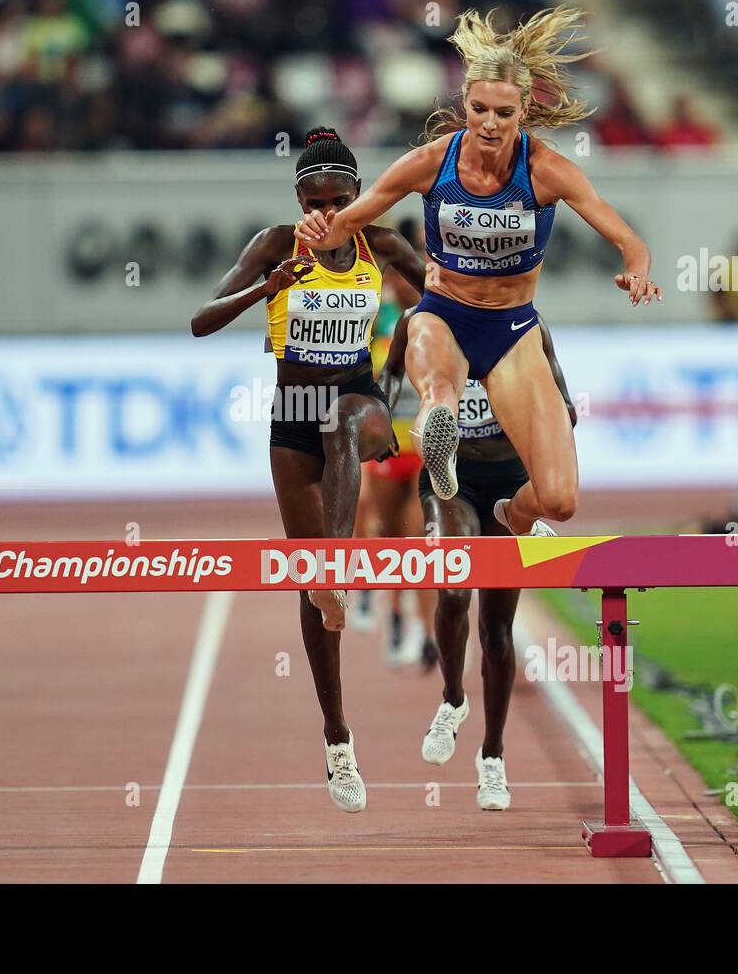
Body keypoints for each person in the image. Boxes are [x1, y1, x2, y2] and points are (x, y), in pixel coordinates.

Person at [294, 6, 658, 540]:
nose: (488, 123)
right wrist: (316, 233)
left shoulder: (547, 171)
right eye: (478, 108)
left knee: (559, 500)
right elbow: (350, 218)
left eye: (503, 113)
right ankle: (438, 433)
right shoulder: (431, 163)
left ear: (524, 109)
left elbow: (627, 239)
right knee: (438, 381)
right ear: (464, 102)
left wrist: (637, 272)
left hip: (511, 331)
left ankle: (515, 515)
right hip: (444, 313)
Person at [191, 127, 426, 812]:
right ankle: (337, 740)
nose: (327, 210)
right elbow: (200, 321)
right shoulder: (274, 245)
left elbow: (439, 298)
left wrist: (405, 359)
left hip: (361, 401)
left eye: (340, 198)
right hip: (292, 413)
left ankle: (344, 567)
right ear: (298, 196)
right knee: (309, 582)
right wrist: (269, 287)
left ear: (358, 195)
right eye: (315, 199)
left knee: (347, 425)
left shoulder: (379, 245)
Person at [384, 311, 575, 810]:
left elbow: (566, 409)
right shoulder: (418, 324)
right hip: (452, 478)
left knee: (495, 628)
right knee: (452, 586)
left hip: (510, 479)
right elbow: (383, 390)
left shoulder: (528, 327)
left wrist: (530, 408)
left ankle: (493, 756)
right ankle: (452, 699)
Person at [351, 261, 438, 669]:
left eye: (411, 272)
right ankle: (396, 612)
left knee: (418, 538)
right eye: (397, 274)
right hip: (386, 450)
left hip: (421, 450)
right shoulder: (377, 320)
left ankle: (426, 631)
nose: (404, 281)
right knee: (393, 539)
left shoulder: (437, 317)